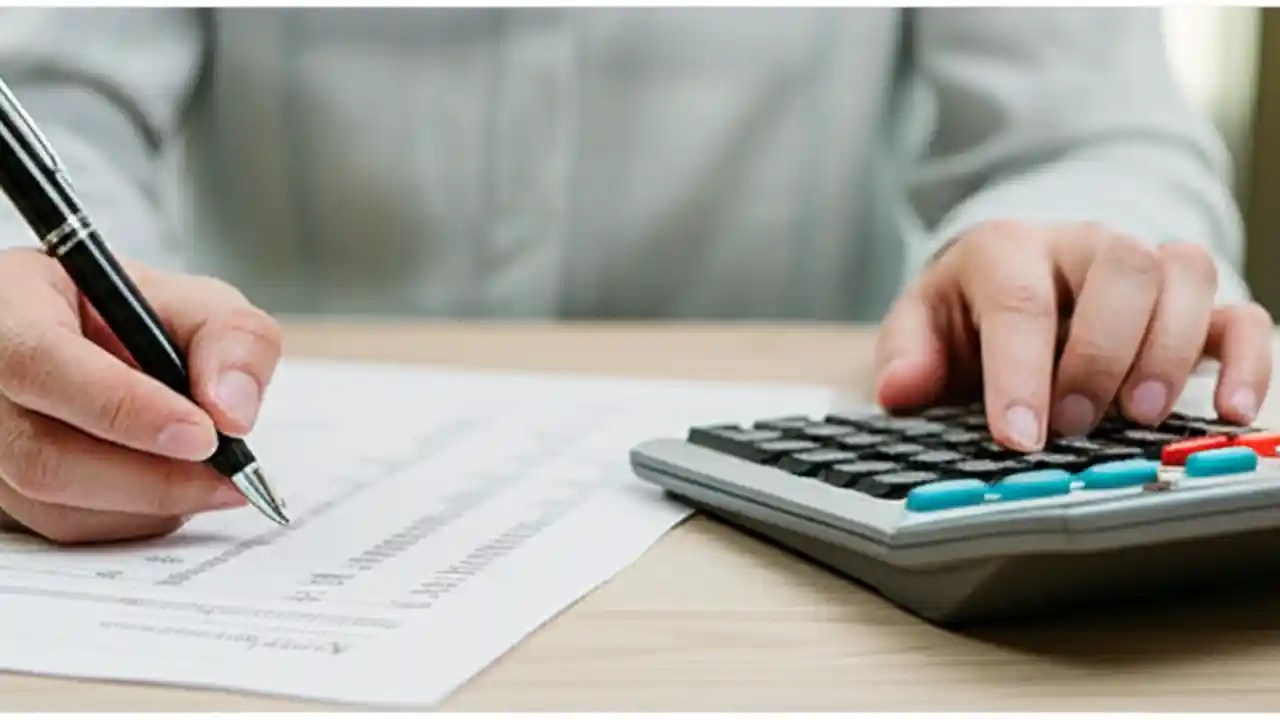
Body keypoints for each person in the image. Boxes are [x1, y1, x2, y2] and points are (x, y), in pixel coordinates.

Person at [0, 8, 1270, 543]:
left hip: (791, 520)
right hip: (226, 464)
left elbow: (1092, 135)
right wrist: (28, 309)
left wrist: (1060, 260)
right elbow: (48, 105)